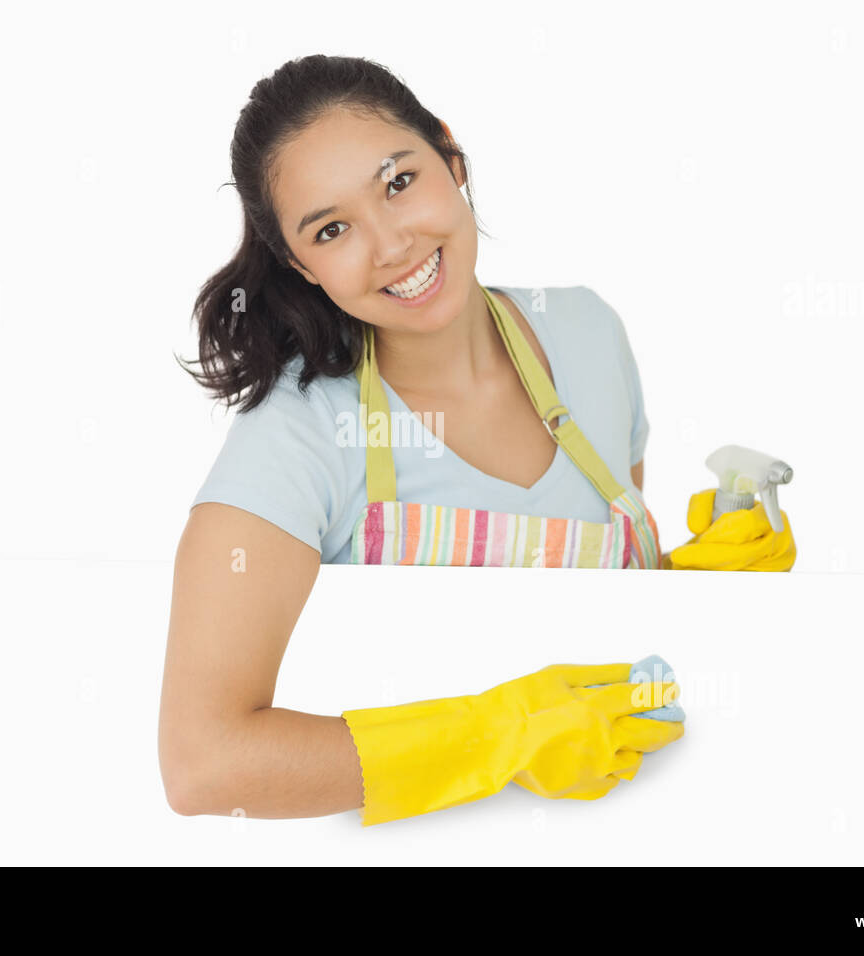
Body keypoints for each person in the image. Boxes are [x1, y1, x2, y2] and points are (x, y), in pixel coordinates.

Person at [159, 55, 793, 826]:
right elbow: (203, 763)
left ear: (451, 158)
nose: (392, 244)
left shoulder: (589, 336)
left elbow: (597, 641)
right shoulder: (299, 436)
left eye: (398, 182)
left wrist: (686, 588)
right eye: (332, 229)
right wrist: (500, 738)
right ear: (302, 265)